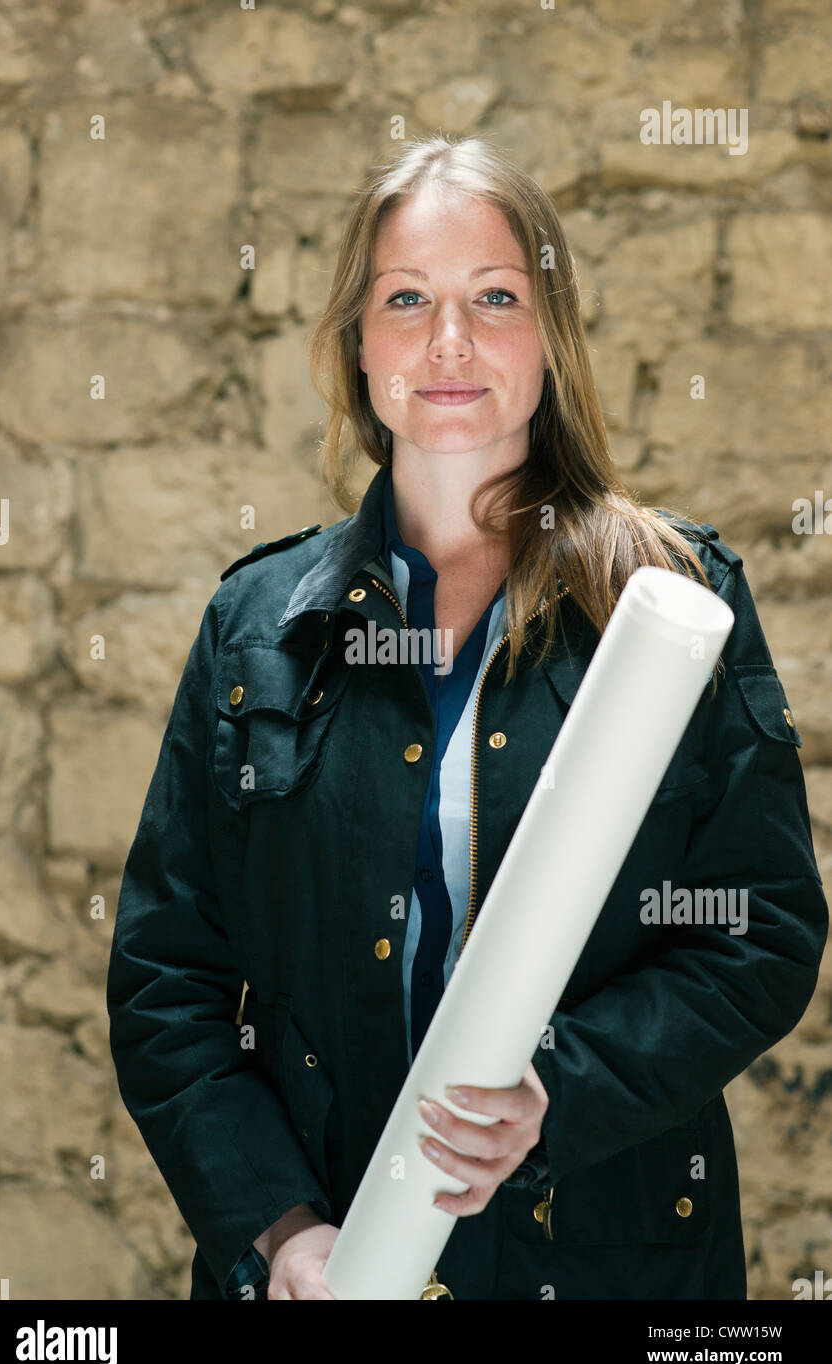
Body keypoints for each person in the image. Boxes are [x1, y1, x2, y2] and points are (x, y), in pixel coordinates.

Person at [107, 134, 828, 1301]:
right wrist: (280, 1231)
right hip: (333, 1268)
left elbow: (755, 933)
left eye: (494, 298)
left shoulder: (673, 604)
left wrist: (555, 1091)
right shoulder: (257, 626)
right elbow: (166, 979)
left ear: (550, 335)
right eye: (407, 300)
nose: (449, 342)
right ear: (358, 342)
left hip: (602, 1259)